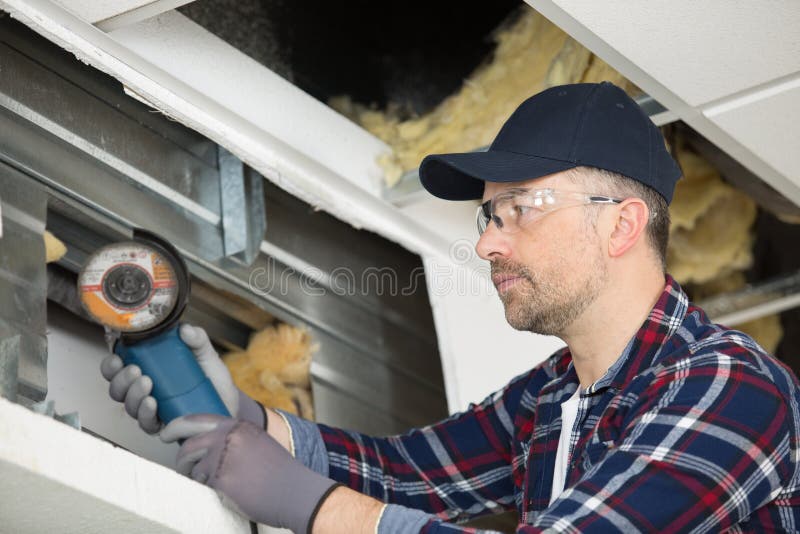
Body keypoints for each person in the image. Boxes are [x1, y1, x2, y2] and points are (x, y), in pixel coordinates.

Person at [102, 82, 800, 533]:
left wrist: (313, 508)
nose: (489, 242)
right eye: (488, 216)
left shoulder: (734, 389)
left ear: (621, 225)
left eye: (520, 209)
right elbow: (404, 474)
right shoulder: (552, 397)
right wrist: (249, 419)